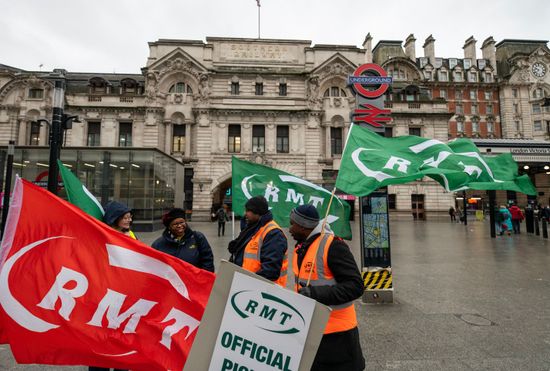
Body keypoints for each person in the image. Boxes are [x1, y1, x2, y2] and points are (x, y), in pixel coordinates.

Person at [289, 204, 365, 371]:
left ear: (303, 226)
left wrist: (316, 293)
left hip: (338, 336)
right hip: (313, 330)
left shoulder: (333, 246)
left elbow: (356, 286)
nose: (289, 228)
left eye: (292, 224)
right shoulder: (301, 247)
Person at [89, 201, 133, 371]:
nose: (129, 220)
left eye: (130, 217)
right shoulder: (102, 235)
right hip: (103, 294)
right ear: (115, 218)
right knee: (100, 339)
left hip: (125, 296)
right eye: (125, 217)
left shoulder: (131, 235)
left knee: (121, 339)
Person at [227, 196, 288, 286]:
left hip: (262, 290)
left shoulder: (273, 233)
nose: (245, 214)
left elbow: (270, 271)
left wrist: (247, 284)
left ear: (257, 212)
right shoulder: (252, 228)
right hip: (246, 285)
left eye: (248, 210)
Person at [151, 208, 215, 272]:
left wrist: (204, 278)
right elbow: (153, 265)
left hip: (194, 280)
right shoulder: (158, 244)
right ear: (169, 227)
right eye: (175, 224)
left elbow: (208, 261)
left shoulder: (198, 237)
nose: (179, 226)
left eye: (182, 222)